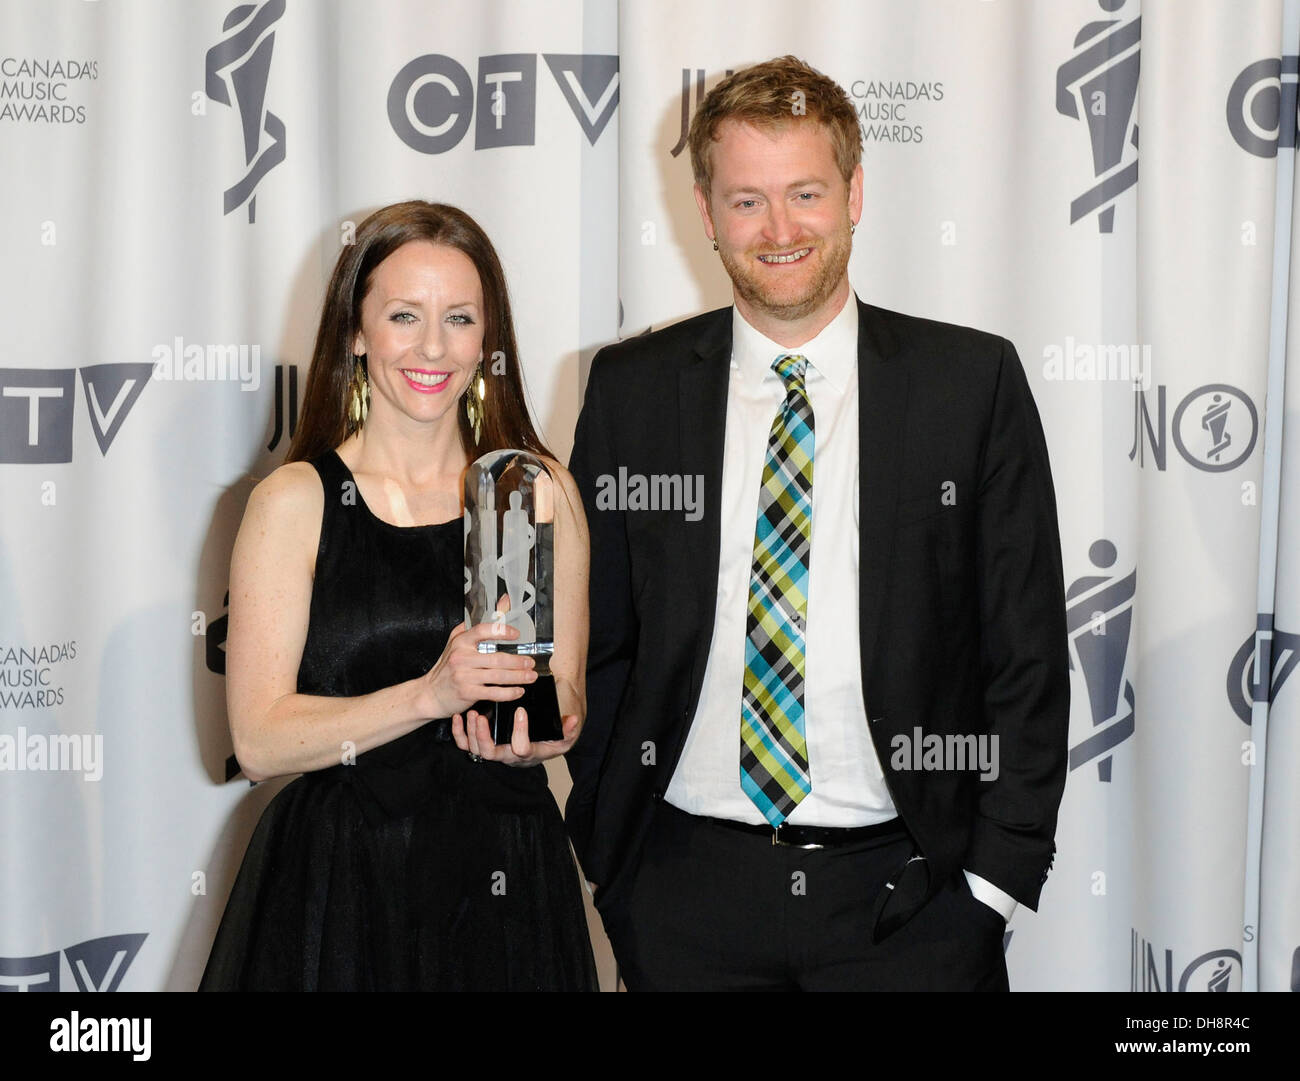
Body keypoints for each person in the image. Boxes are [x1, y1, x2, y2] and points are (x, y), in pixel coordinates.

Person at [565, 56, 1069, 990]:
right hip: (684, 897)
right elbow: (601, 637)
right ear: (707, 213)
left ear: (855, 193)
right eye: (747, 200)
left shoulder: (969, 385)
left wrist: (989, 891)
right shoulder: (633, 392)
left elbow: (1027, 651)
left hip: (911, 902)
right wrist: (616, 862)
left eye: (806, 192)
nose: (781, 228)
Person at [200, 201, 597, 991]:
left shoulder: (532, 490)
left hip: (508, 879)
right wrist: (428, 694)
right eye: (404, 316)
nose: (431, 347)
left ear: (488, 340)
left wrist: (548, 729)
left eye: (458, 319)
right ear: (356, 330)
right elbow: (260, 737)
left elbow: (569, 694)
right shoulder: (296, 502)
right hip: (340, 885)